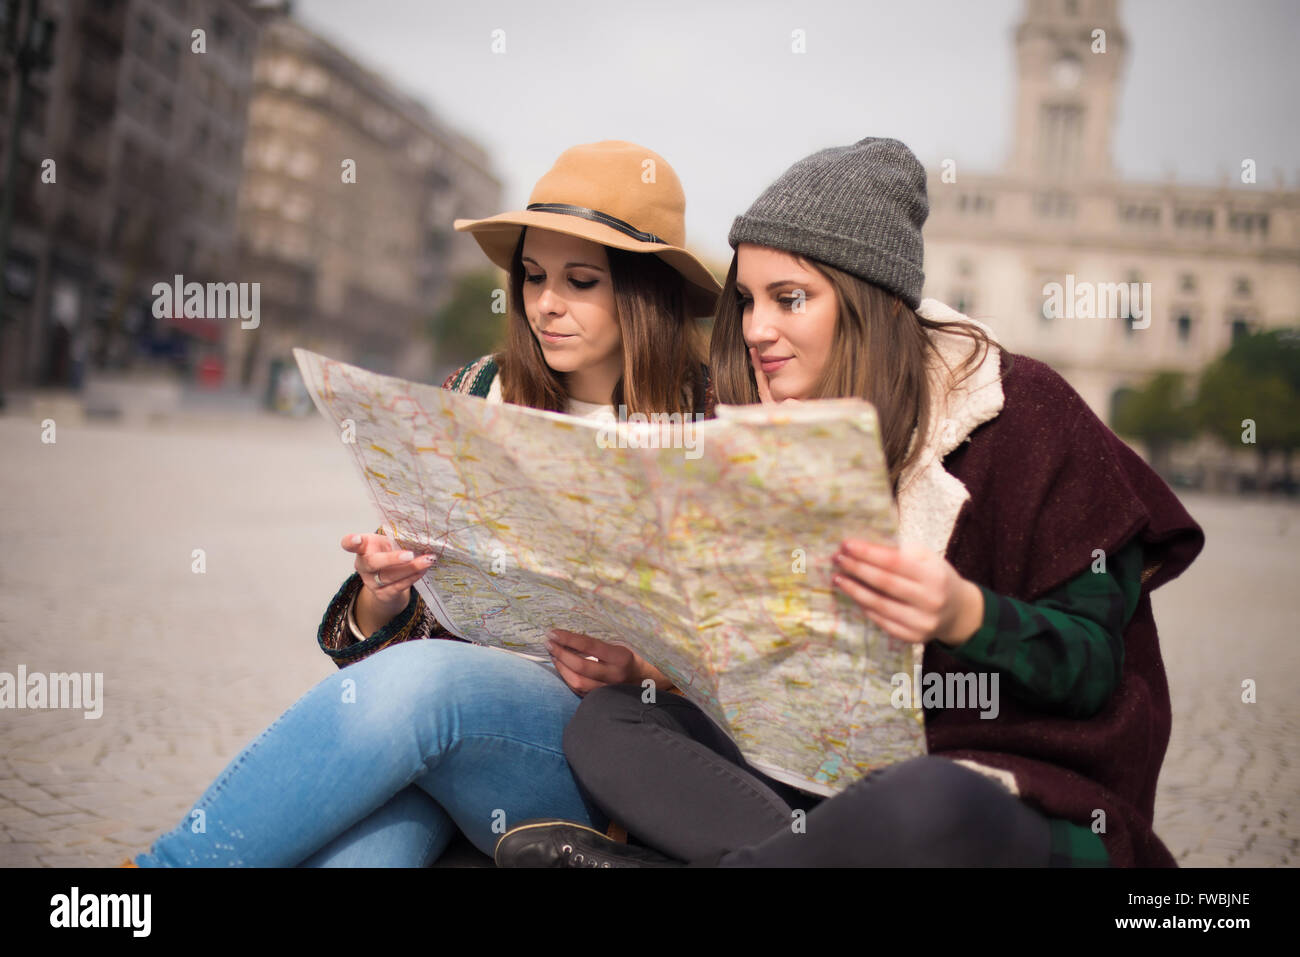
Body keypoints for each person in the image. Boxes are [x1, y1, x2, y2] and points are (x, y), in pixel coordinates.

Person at [494, 136, 1205, 868]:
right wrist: (656, 666)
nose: (755, 328)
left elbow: (1092, 669)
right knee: (611, 722)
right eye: (746, 300)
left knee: (923, 798)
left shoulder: (1028, 414)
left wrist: (964, 613)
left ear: (866, 301)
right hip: (817, 781)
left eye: (790, 299)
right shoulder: (763, 422)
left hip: (1007, 798)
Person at [131, 141, 719, 867]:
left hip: (603, 761)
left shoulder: (714, 421)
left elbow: (750, 666)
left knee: (426, 687)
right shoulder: (476, 391)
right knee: (364, 851)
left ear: (644, 289)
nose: (545, 304)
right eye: (532, 276)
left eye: (580, 281)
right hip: (450, 732)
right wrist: (383, 589)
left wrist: (645, 673)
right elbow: (417, 619)